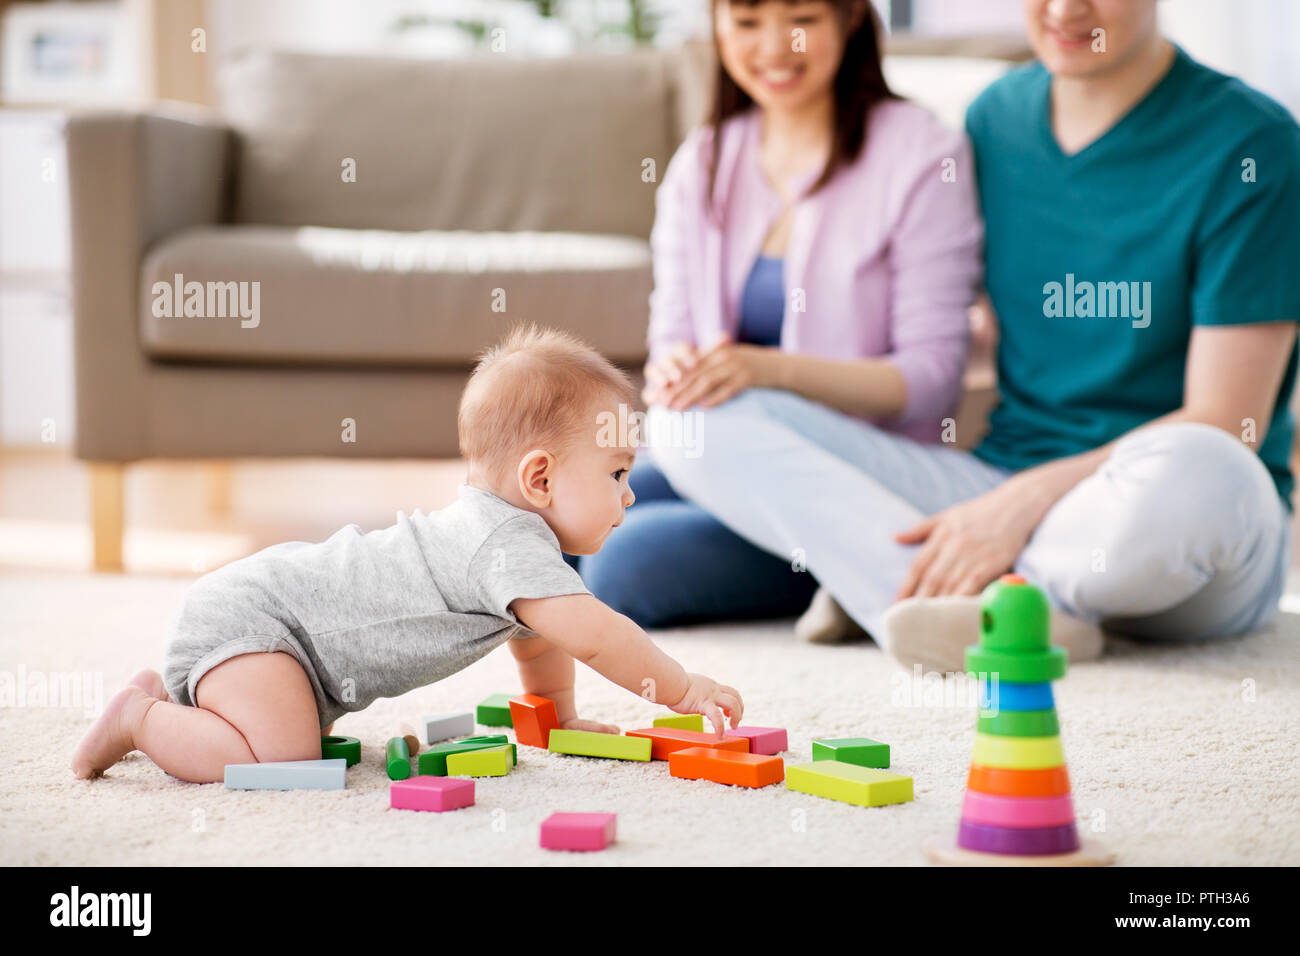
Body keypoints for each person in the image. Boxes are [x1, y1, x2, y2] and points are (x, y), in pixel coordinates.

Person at [647, 0, 1300, 670]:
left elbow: (1227, 421)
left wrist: (1018, 505)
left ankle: (918, 581)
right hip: (989, 482)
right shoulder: (996, 119)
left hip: (1164, 522)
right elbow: (978, 317)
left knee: (1204, 468)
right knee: (689, 422)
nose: (1068, 9)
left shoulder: (1253, 142)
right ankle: (989, 610)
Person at [71, 326, 743, 783]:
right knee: (286, 762)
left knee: (289, 742)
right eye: (617, 475)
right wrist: (682, 689)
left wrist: (557, 716)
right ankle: (143, 719)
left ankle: (170, 698)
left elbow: (540, 641)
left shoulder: (517, 546)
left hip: (271, 637)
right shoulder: (502, 543)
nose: (628, 496)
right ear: (539, 480)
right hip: (259, 627)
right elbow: (597, 636)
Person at [576, 0, 984, 637]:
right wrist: (679, 373)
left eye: (802, 20)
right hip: (721, 449)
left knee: (622, 566)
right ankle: (842, 579)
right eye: (745, 22)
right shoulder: (701, 162)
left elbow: (930, 379)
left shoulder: (922, 152)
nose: (773, 47)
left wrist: (765, 370)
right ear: (715, 26)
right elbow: (669, 353)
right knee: (562, 521)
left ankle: (904, 586)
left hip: (859, 470)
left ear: (851, 20)